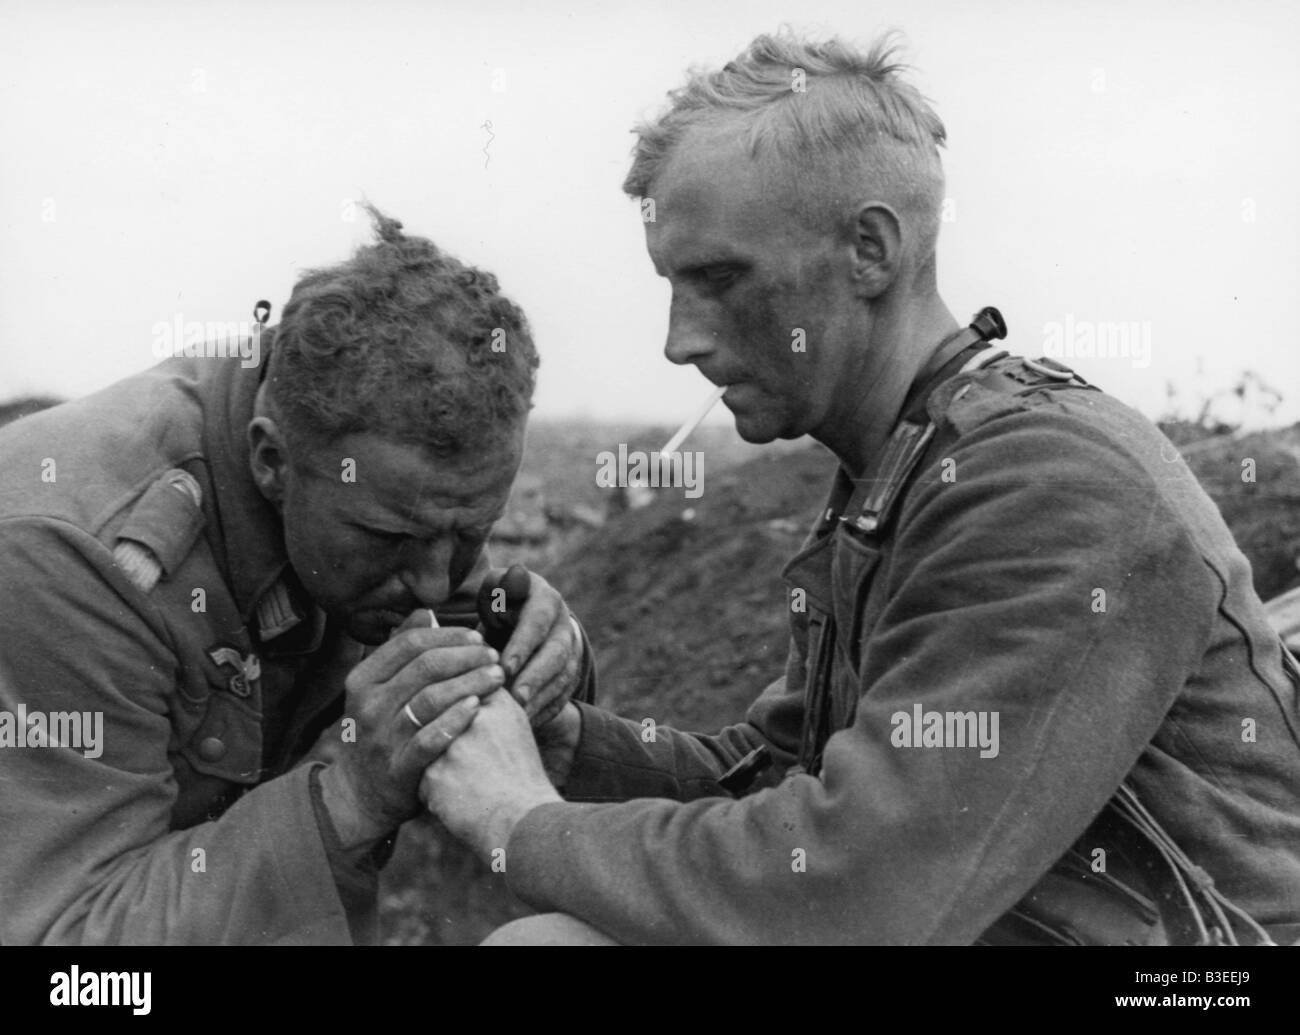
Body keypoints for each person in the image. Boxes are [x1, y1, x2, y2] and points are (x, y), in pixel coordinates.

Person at [419, 31, 1300, 945]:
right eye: (673, 285)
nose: (678, 341)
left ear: (869, 250)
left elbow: (856, 892)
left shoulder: (1046, 491)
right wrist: (571, 747)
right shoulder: (911, 466)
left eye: (720, 279)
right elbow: (778, 780)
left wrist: (515, 821)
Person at [0, 206, 588, 944]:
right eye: (392, 538)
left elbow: (446, 594)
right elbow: (72, 962)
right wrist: (343, 796)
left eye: (471, 531)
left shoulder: (357, 484)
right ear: (271, 462)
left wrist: (531, 642)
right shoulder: (73, 561)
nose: (438, 584)